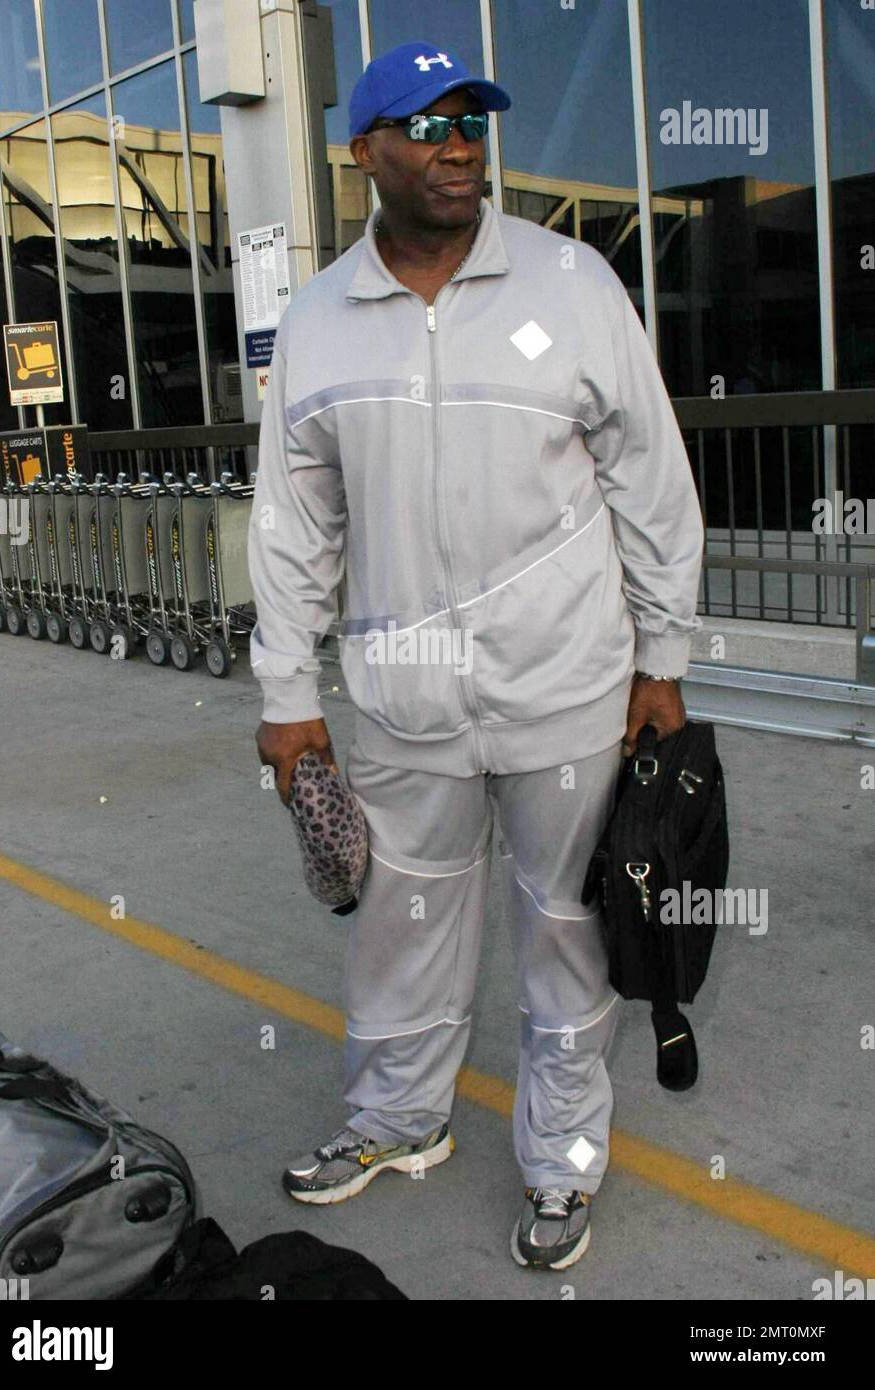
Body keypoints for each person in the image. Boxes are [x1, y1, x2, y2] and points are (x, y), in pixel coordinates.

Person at [248, 40, 704, 1271]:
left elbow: (652, 482)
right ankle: (398, 1120)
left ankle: (562, 1166)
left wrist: (659, 658)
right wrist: (287, 696)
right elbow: (295, 527)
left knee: (569, 929)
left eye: (471, 122)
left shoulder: (571, 285)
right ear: (366, 152)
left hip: (565, 692)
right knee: (400, 924)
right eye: (426, 123)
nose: (458, 145)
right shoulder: (320, 321)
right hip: (401, 705)